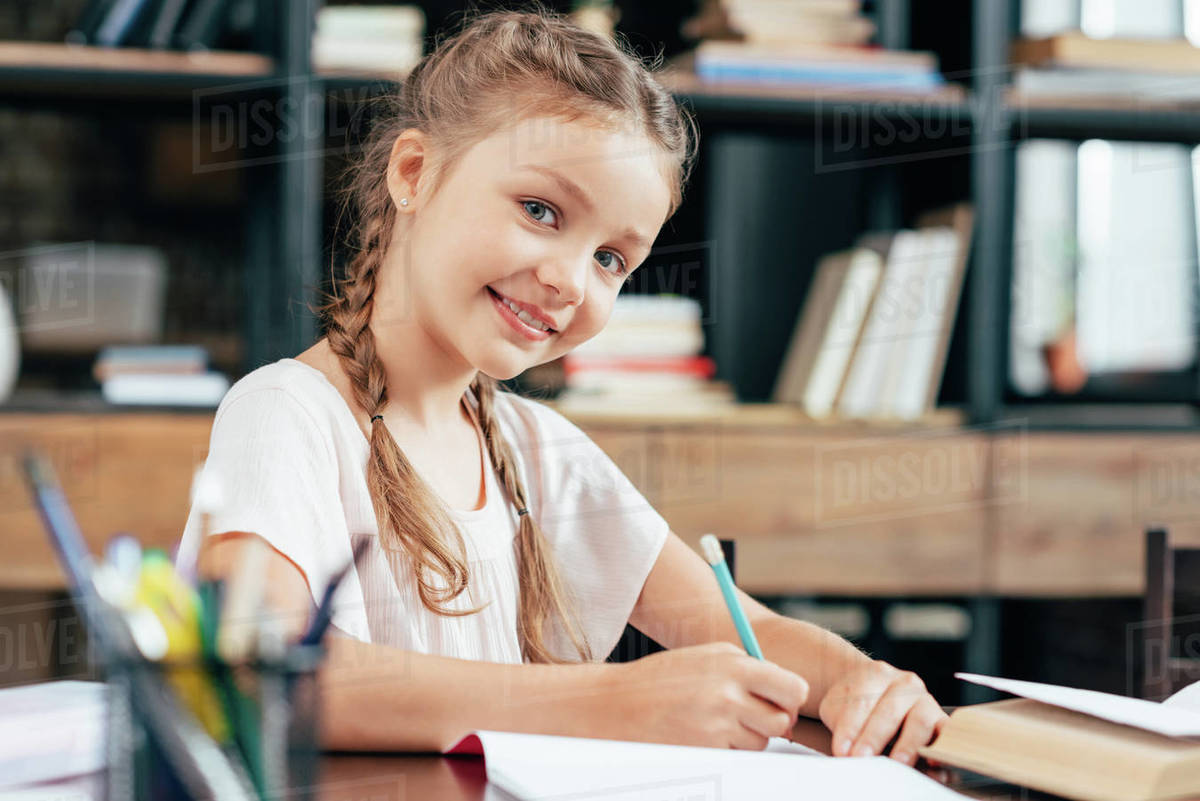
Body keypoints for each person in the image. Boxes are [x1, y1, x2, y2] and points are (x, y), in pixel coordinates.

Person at [178, 8, 946, 763]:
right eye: (541, 210)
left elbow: (746, 629)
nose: (569, 282)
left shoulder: (539, 451)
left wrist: (859, 679)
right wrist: (616, 701)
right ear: (413, 173)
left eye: (611, 258)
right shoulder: (287, 415)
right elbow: (257, 670)